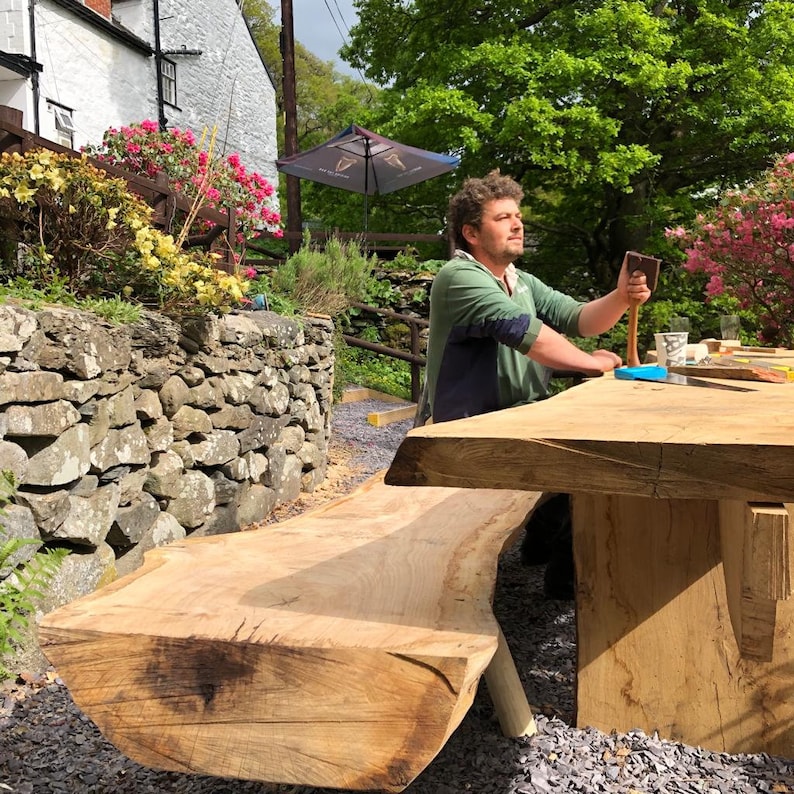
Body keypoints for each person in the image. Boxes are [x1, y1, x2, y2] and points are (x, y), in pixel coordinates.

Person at [416, 170, 652, 599]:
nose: (517, 225)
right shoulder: (459, 277)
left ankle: (541, 547)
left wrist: (620, 296)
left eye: (518, 216)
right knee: (596, 463)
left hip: (518, 421)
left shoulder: (520, 281)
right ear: (471, 233)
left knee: (585, 451)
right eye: (503, 218)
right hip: (472, 431)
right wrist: (593, 364)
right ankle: (567, 582)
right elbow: (528, 335)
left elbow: (579, 319)